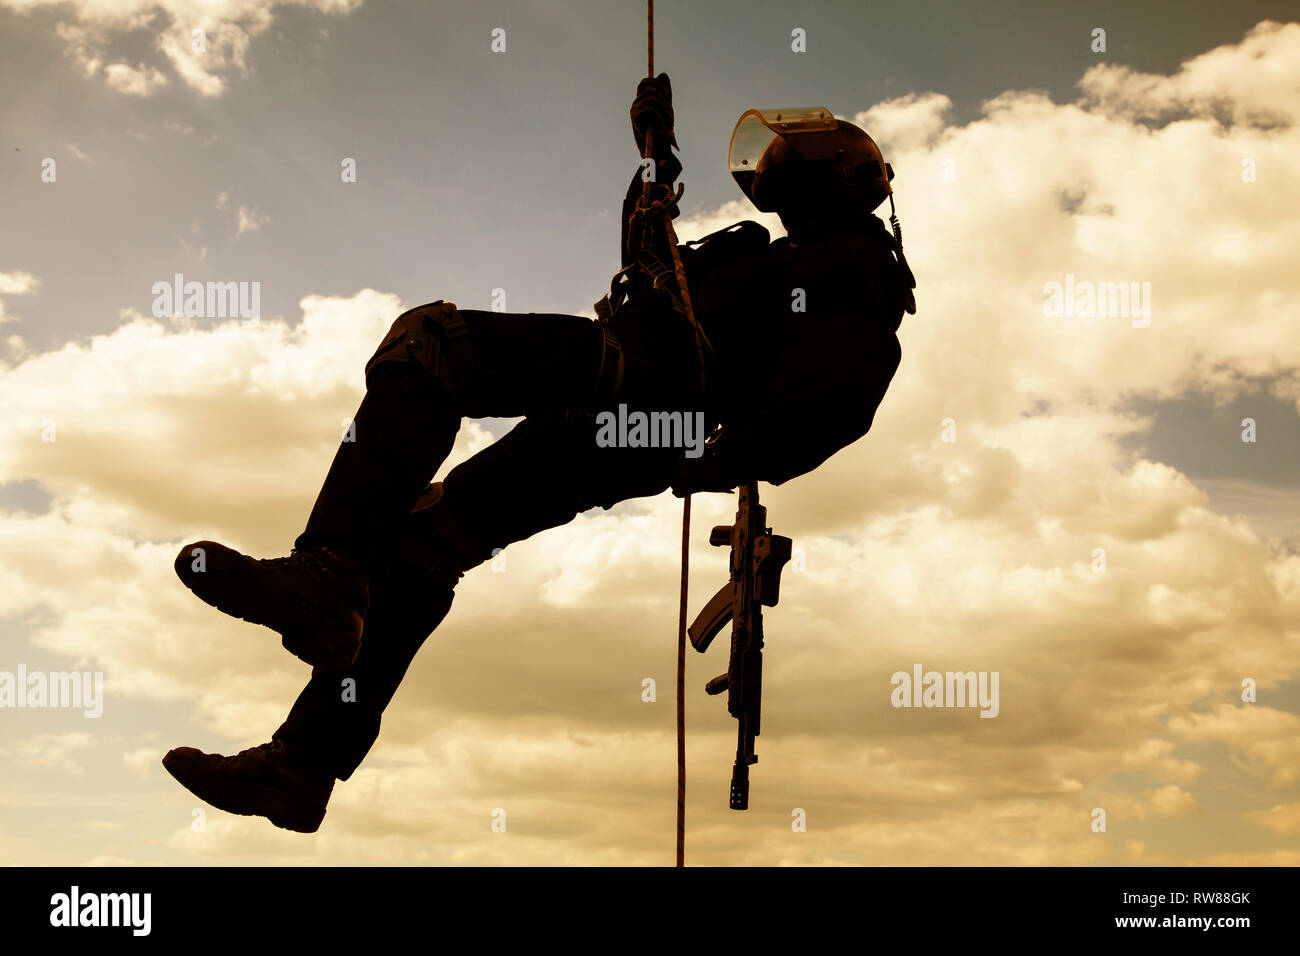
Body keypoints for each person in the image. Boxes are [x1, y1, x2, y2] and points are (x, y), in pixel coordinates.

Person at [162, 75, 917, 832]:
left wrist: (717, 459)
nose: (777, 166)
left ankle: (327, 571)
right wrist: (654, 160)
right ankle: (303, 764)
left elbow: (838, 395)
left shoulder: (847, 256)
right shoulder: (773, 257)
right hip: (636, 412)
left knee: (434, 345)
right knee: (426, 544)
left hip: (647, 388)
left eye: (793, 157)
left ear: (835, 171)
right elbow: (657, 274)